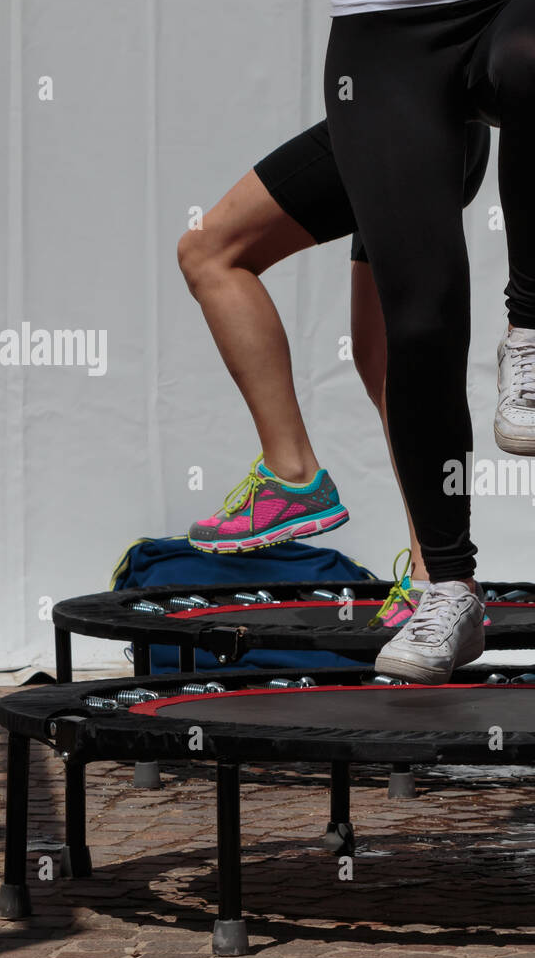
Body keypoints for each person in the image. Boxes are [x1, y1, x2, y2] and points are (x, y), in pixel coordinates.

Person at [323, 0, 535, 681]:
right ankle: (450, 587)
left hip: (518, 6)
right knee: (418, 322)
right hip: (382, 27)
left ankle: (530, 334)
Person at [177, 118, 491, 628]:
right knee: (386, 357)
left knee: (209, 251)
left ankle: (292, 475)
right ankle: (432, 581)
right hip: (453, 132)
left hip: (393, 123)